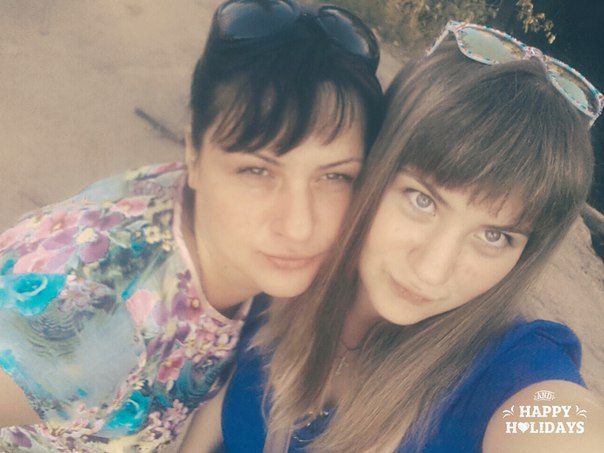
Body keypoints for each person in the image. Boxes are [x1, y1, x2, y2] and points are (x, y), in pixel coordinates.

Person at [0, 0, 383, 451]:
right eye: (256, 171)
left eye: (334, 177)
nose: (300, 226)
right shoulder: (88, 326)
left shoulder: (214, 229)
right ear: (194, 156)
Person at [215, 20, 604, 452]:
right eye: (423, 200)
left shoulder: (508, 373)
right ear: (374, 163)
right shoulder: (291, 262)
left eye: (495, 236)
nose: (432, 271)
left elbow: (565, 425)